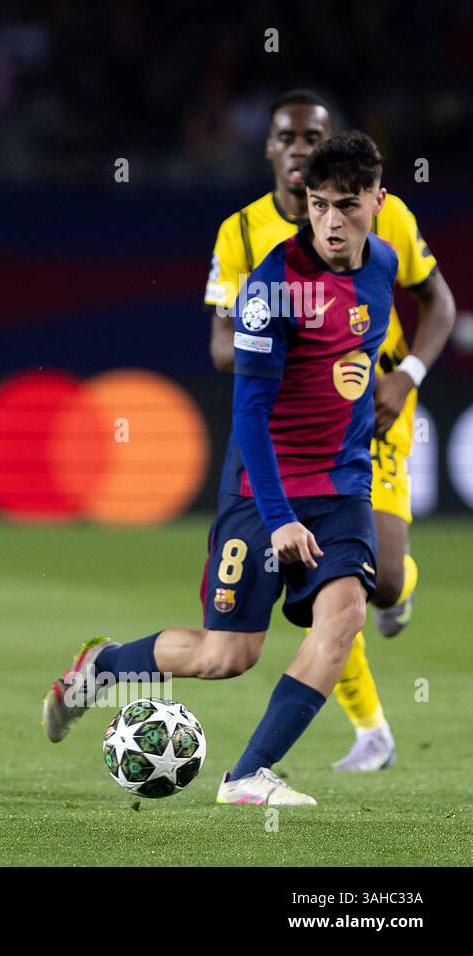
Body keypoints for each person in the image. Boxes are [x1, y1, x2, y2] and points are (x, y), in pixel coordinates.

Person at [45, 131, 396, 806]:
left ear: (378, 201)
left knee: (345, 616)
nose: (329, 220)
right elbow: (249, 417)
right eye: (317, 204)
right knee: (226, 656)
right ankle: (104, 665)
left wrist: (400, 377)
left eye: (346, 205)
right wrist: (280, 519)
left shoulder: (382, 263)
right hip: (262, 489)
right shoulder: (270, 289)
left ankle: (246, 777)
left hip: (344, 486)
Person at [203, 90, 455, 771]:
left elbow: (440, 302)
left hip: (374, 410)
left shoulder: (386, 215)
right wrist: (280, 342)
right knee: (332, 589)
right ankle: (370, 730)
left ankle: (399, 592)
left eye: (312, 135)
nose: (299, 149)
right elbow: (222, 346)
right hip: (291, 425)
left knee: (385, 581)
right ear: (270, 149)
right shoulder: (245, 236)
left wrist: (408, 380)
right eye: (287, 137)